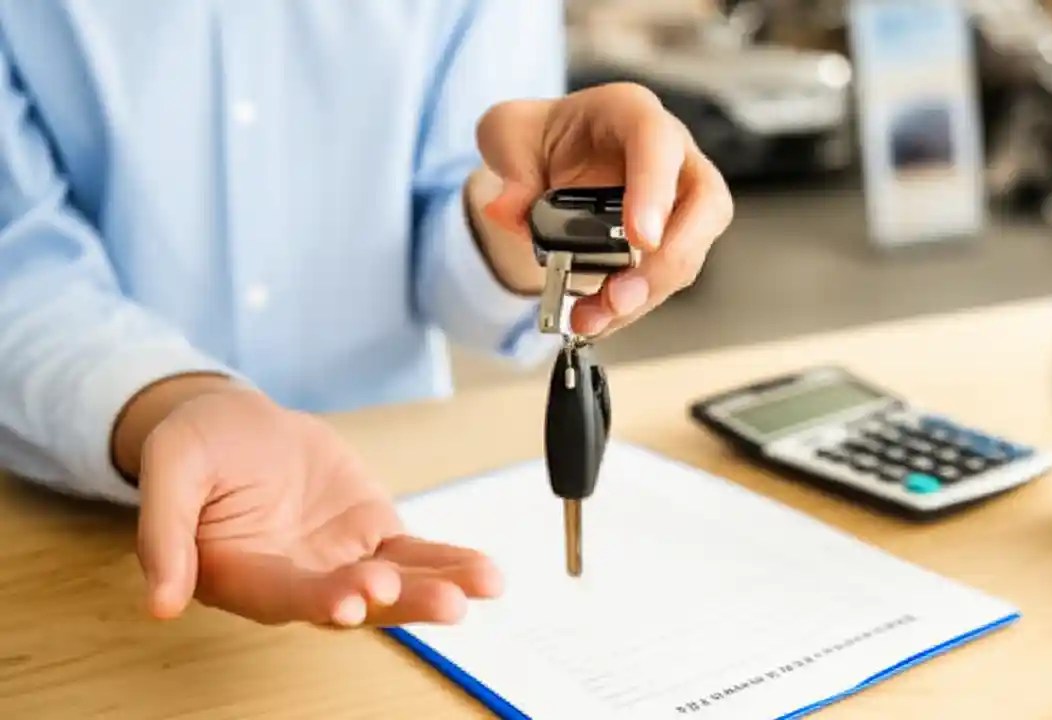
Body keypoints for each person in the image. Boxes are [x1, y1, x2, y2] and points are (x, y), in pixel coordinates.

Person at [0, 3, 731, 629]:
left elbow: (455, 224)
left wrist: (541, 220)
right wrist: (178, 402)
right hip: (68, 522)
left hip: (395, 502)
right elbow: (17, 259)